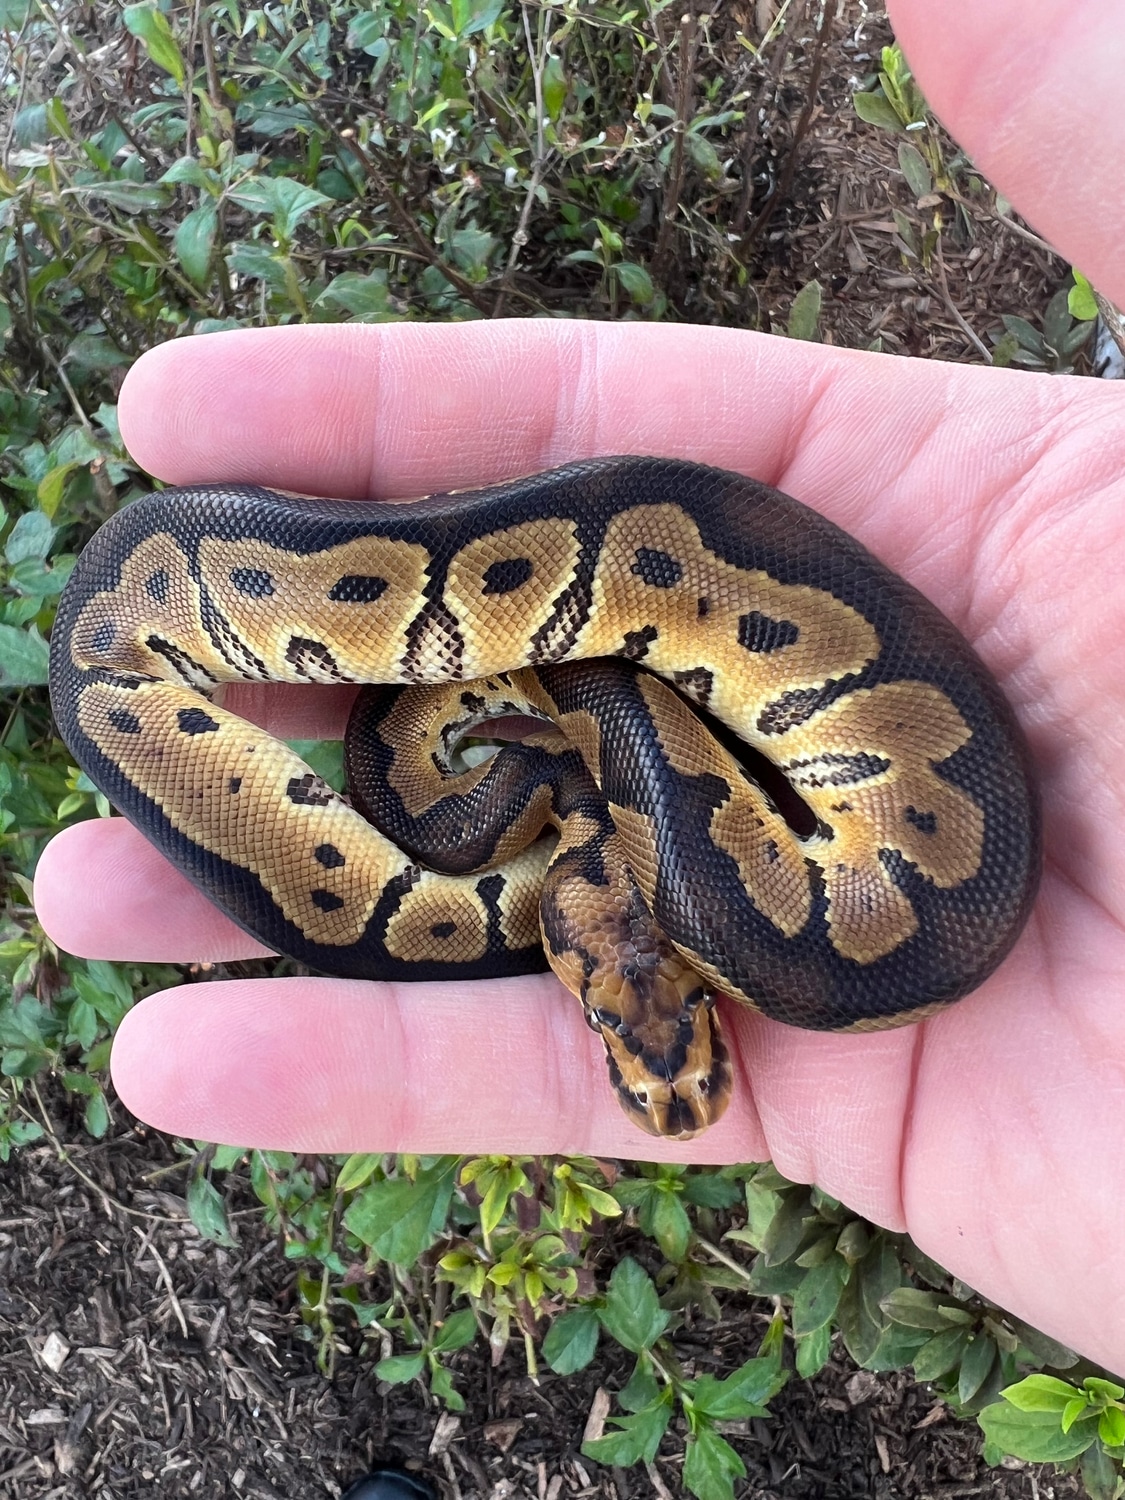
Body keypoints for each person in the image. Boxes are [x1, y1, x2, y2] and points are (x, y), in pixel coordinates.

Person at [33, 0, 1125, 1380]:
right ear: (676, 956)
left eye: (627, 1039)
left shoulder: (643, 855)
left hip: (586, 734)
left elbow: (607, 810)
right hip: (609, 737)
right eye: (662, 1035)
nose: (663, 1063)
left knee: (456, 802)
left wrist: (566, 770)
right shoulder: (676, 879)